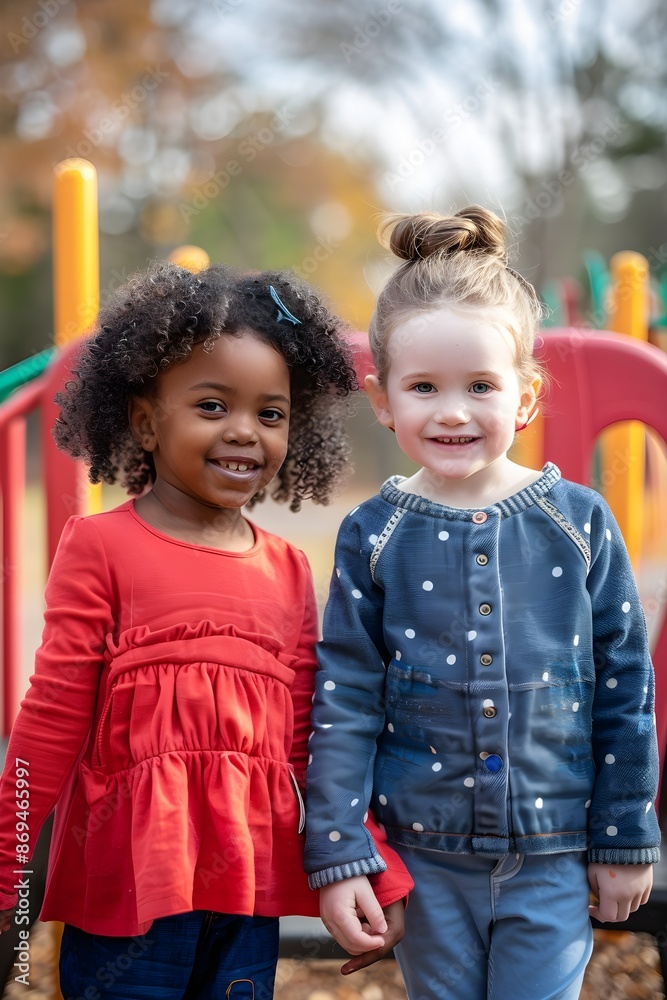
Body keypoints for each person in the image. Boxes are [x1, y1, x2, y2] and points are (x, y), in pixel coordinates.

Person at [0, 262, 412, 999]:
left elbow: (302, 743)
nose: (244, 433)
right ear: (145, 420)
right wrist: (7, 861)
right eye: (213, 405)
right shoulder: (101, 547)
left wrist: (364, 858)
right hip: (127, 894)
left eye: (271, 413)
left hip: (244, 889)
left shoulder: (285, 568)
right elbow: (54, 716)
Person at [304, 206, 661, 1000]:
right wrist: (337, 851)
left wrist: (624, 833)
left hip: (554, 856)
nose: (452, 410)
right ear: (383, 399)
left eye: (480, 386)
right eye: (423, 387)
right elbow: (345, 696)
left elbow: (623, 686)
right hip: (423, 859)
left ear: (525, 396)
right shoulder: (375, 531)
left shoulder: (577, 524)